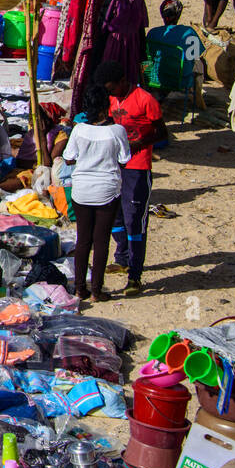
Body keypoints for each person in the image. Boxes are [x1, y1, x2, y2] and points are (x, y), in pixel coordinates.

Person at [97, 59, 168, 297]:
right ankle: (123, 257)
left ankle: (135, 276)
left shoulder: (145, 99)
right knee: (114, 214)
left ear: (122, 82)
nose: (110, 93)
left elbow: (162, 132)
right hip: (113, 165)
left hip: (137, 167)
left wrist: (138, 144)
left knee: (135, 220)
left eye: (112, 88)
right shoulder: (109, 99)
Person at [61, 84, 132, 302]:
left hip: (81, 190)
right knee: (101, 241)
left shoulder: (79, 129)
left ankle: (80, 289)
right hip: (107, 191)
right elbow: (124, 160)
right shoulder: (117, 131)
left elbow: (68, 157)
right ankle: (97, 291)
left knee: (83, 240)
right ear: (105, 107)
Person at [145, 0, 202, 96]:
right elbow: (195, 56)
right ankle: (197, 97)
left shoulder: (152, 33)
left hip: (155, 79)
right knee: (199, 64)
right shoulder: (189, 32)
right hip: (180, 81)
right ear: (178, 15)